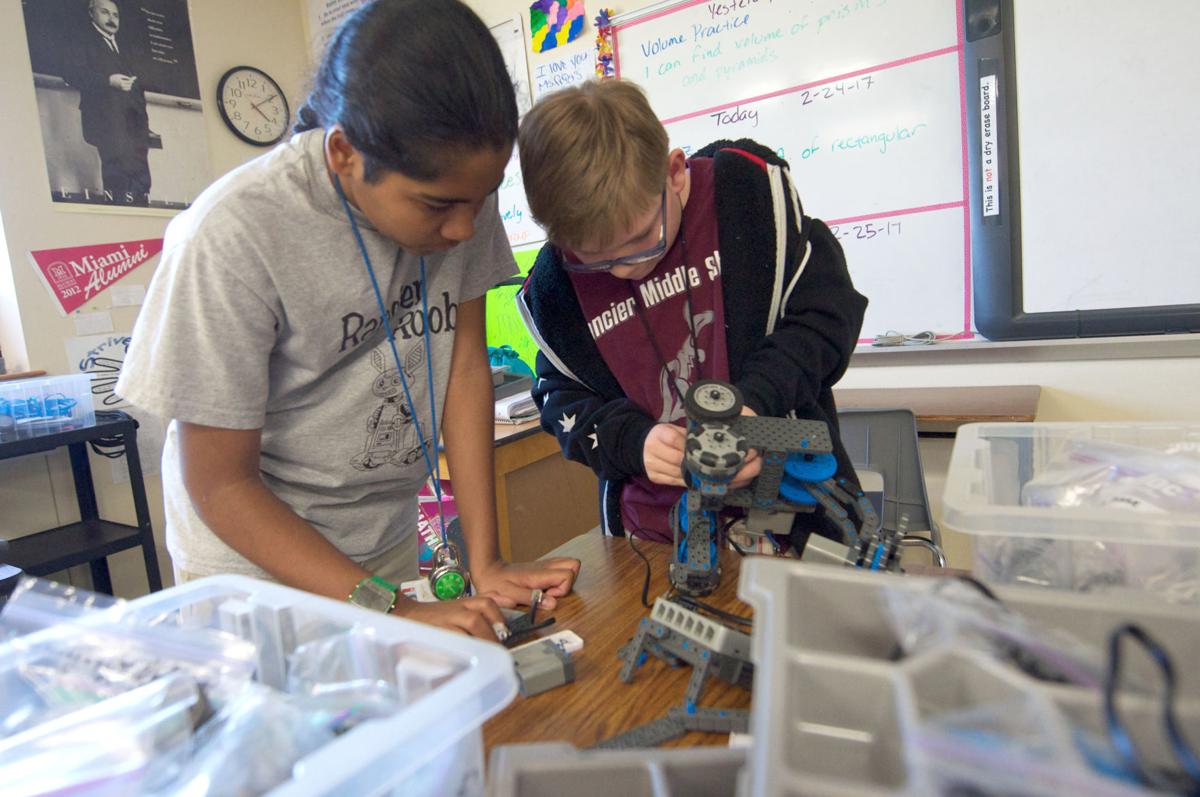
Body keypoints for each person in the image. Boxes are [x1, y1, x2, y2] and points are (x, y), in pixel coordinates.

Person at [117, 0, 579, 639]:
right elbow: (220, 484)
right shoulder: (232, 235)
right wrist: (395, 609)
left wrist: (486, 560)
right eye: (438, 206)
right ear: (343, 154)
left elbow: (465, 370)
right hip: (254, 573)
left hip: (380, 546)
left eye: (484, 196)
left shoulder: (455, 188)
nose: (465, 229)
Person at [516, 79, 868, 552]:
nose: (626, 268)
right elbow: (561, 398)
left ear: (675, 173)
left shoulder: (750, 203)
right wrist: (632, 442)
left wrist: (755, 404)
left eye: (645, 238)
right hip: (653, 540)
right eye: (595, 259)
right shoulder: (556, 293)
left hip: (794, 520)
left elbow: (827, 318)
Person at [60, 0, 152, 205]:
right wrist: (108, 81)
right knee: (118, 178)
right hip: (106, 122)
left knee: (141, 178)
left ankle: (142, 213)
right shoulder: (81, 41)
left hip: (134, 124)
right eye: (105, 12)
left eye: (115, 15)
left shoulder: (124, 46)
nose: (111, 19)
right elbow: (72, 73)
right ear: (92, 13)